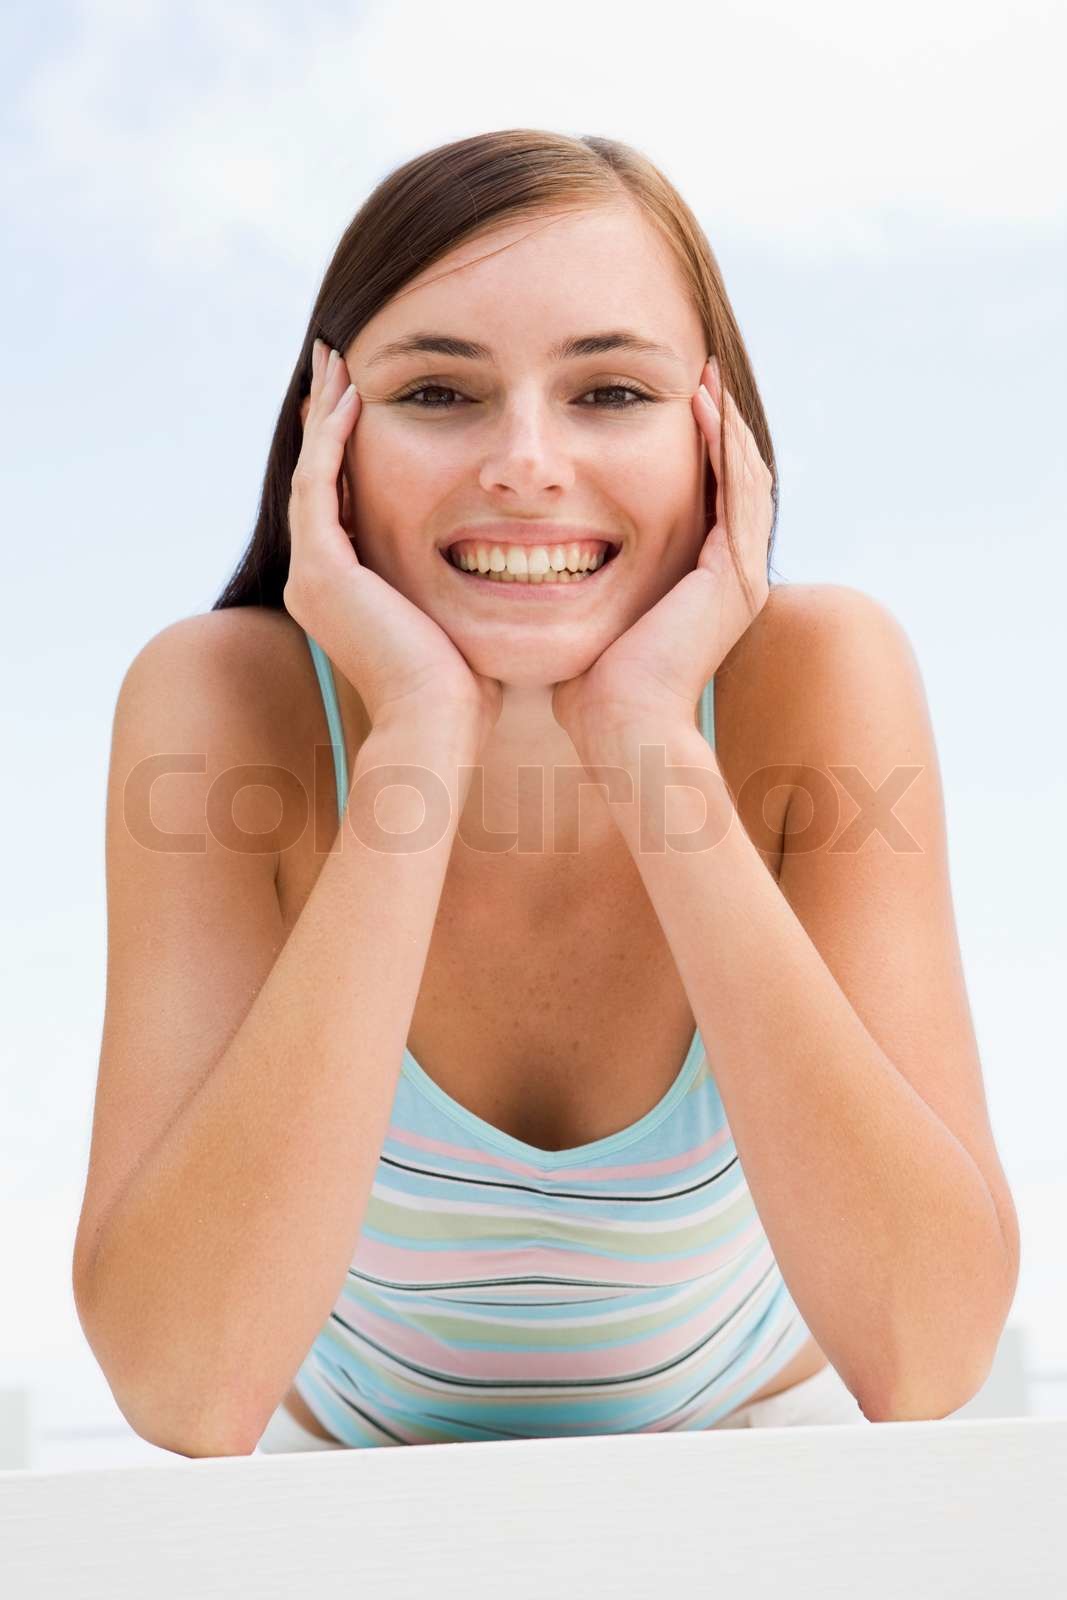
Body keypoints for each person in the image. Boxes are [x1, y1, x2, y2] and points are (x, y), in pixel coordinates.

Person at [73, 129, 1018, 1457]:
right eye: (440, 394)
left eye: (612, 393)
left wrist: (648, 738)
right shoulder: (217, 702)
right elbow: (185, 1388)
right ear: (326, 444)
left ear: (719, 440)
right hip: (340, 1460)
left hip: (764, 1420)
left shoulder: (822, 674)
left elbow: (925, 1357)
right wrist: (414, 737)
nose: (524, 461)